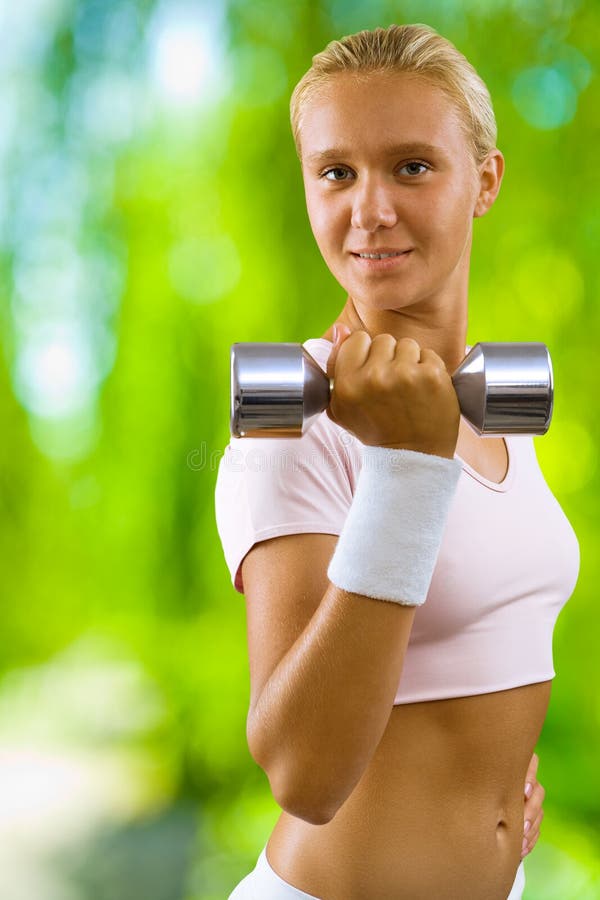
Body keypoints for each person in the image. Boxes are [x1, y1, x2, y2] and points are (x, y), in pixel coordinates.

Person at [215, 23, 580, 900]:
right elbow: (304, 775)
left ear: (484, 181)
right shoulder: (292, 428)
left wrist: (492, 807)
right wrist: (408, 468)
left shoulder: (495, 404)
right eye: (336, 172)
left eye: (412, 166)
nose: (368, 210)